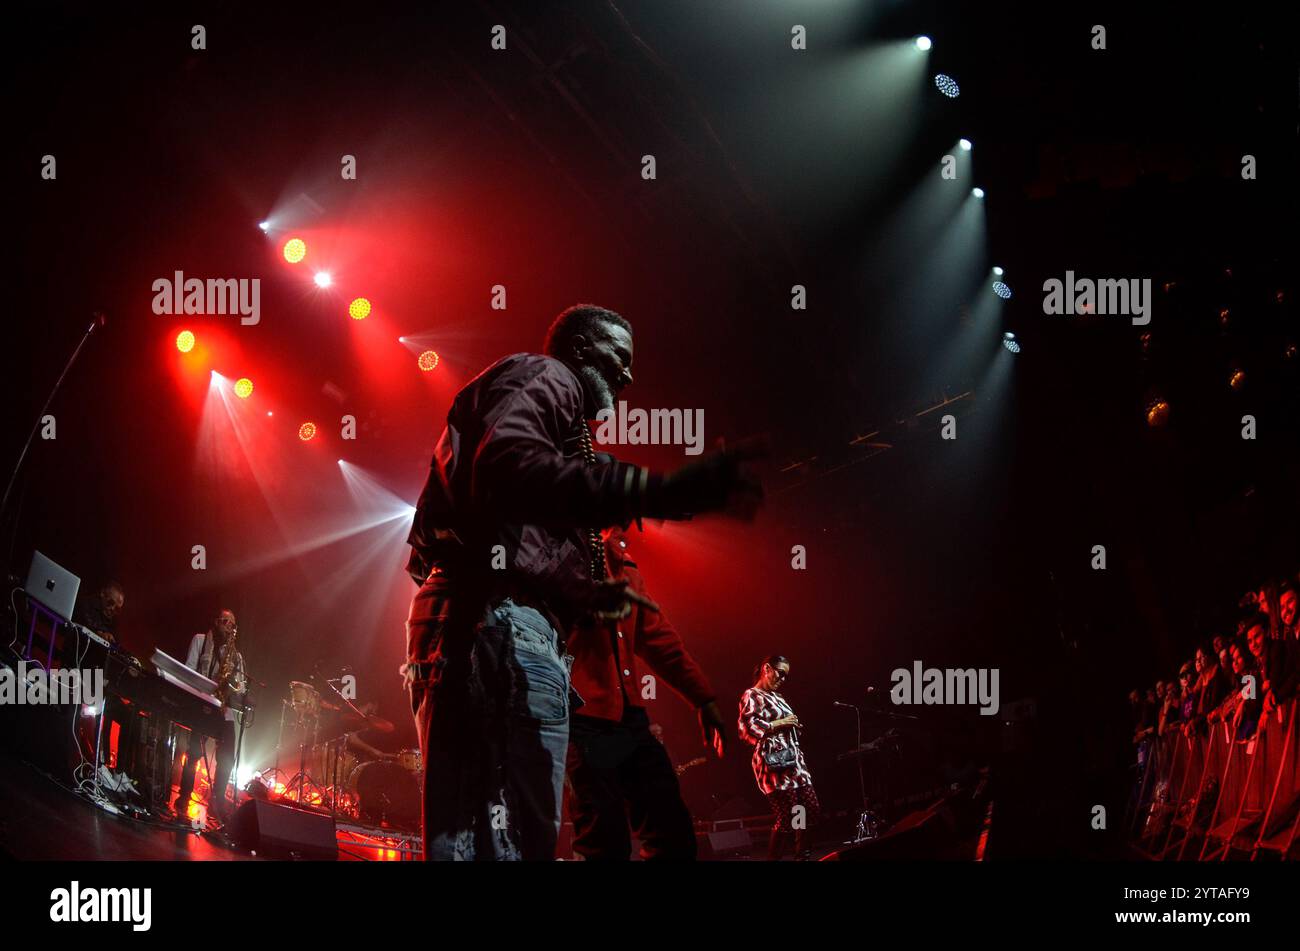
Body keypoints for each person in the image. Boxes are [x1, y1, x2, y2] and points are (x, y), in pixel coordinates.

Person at [403, 303, 762, 861]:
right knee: (511, 843)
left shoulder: (563, 430)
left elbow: (513, 511)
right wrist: (653, 489)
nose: (629, 376)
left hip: (487, 622)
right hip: (500, 626)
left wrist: (586, 590)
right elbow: (507, 461)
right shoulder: (551, 377)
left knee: (482, 845)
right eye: (618, 358)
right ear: (578, 351)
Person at [563, 527, 725, 860]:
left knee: (673, 832)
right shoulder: (555, 552)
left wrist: (702, 697)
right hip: (582, 721)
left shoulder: (624, 563)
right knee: (603, 841)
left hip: (630, 719)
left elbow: (657, 637)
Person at [738, 655, 820, 860]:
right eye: (780, 673)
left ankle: (802, 856)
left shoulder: (779, 697)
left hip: (794, 759)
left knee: (810, 809)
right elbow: (746, 728)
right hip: (773, 760)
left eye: (786, 676)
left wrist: (793, 726)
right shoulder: (752, 694)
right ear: (767, 668)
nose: (783, 679)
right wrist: (779, 723)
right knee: (787, 816)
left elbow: (784, 724)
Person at [171, 609, 247, 825]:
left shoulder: (236, 655)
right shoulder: (200, 640)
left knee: (228, 756)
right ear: (216, 622)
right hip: (202, 703)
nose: (229, 626)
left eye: (232, 624)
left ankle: (218, 802)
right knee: (194, 752)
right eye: (225, 621)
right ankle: (184, 797)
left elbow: (241, 687)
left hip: (224, 709)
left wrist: (235, 685)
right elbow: (188, 669)